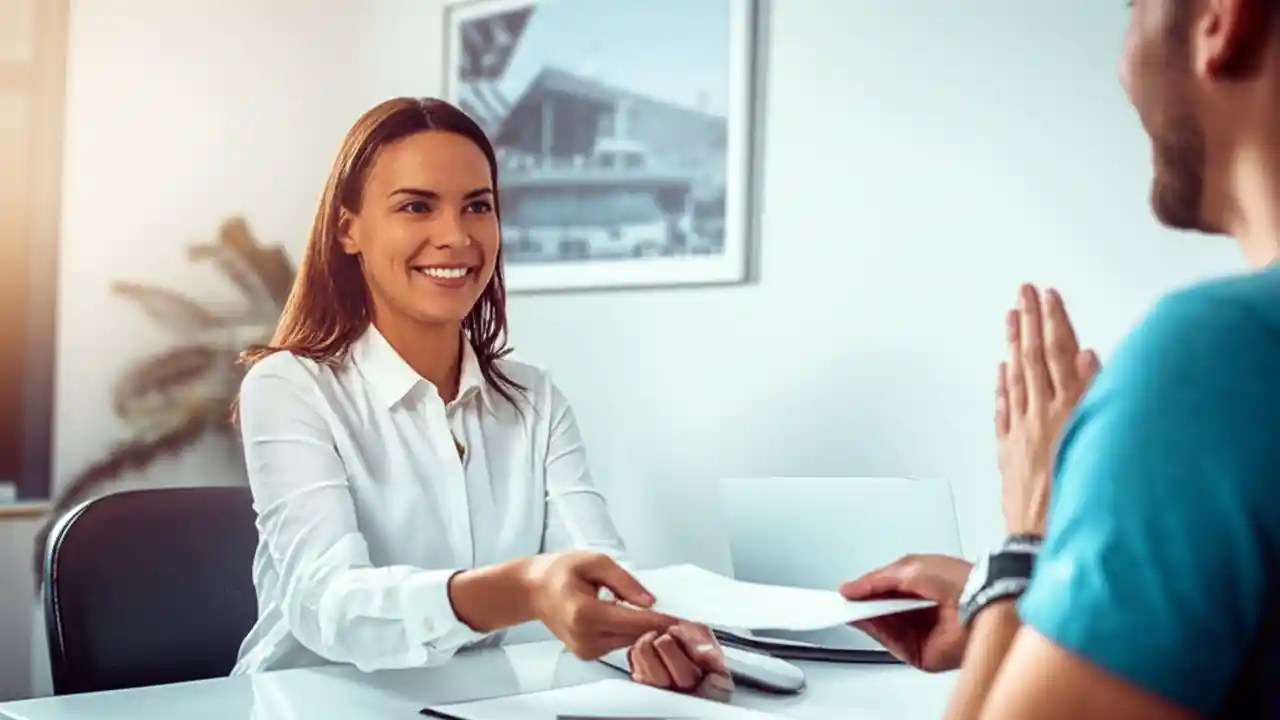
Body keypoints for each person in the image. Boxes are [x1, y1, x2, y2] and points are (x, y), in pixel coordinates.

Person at [842, 1, 1280, 717]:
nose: (1123, 65)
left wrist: (1030, 539)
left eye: (1135, 7)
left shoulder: (1218, 363)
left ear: (1220, 19)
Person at [230, 97, 726, 694]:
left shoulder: (533, 398)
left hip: (477, 703)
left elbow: (595, 572)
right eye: (417, 206)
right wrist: (523, 589)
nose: (455, 236)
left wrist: (646, 634)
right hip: (310, 703)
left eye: (478, 207)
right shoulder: (290, 387)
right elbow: (330, 605)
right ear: (349, 229)